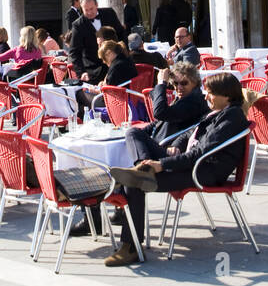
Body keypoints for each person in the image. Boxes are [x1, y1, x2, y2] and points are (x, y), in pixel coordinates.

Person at [105, 72, 250, 267]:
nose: (206, 96)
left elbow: (200, 153)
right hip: (188, 162)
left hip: (202, 172)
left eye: (211, 93)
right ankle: (143, 167)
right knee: (134, 133)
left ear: (227, 96)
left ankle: (131, 247)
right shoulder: (217, 112)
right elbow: (191, 133)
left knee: (135, 183)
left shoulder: (232, 117)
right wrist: (176, 146)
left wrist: (163, 165)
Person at [69, 0, 126, 82]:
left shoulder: (109, 13)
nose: (89, 12)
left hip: (115, 65)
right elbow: (74, 52)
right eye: (86, 10)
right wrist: (81, 73)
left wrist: (123, 55)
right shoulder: (78, 25)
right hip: (93, 71)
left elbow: (121, 34)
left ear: (97, 4)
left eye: (91, 9)